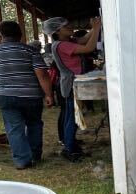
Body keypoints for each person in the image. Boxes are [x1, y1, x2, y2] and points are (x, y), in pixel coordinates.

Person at [0, 21, 54, 169]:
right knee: (34, 124)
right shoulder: (30, 51)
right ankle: (35, 154)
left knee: (13, 127)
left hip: (5, 95)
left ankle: (22, 160)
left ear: (0, 35)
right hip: (31, 95)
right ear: (20, 33)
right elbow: (42, 74)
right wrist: (49, 94)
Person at [42, 16, 102, 162]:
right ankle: (69, 149)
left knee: (72, 115)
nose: (71, 28)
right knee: (71, 116)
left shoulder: (67, 41)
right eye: (66, 26)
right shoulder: (62, 45)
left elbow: (84, 39)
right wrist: (97, 29)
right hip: (70, 84)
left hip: (70, 83)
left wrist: (94, 28)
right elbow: (89, 47)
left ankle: (70, 143)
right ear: (57, 31)